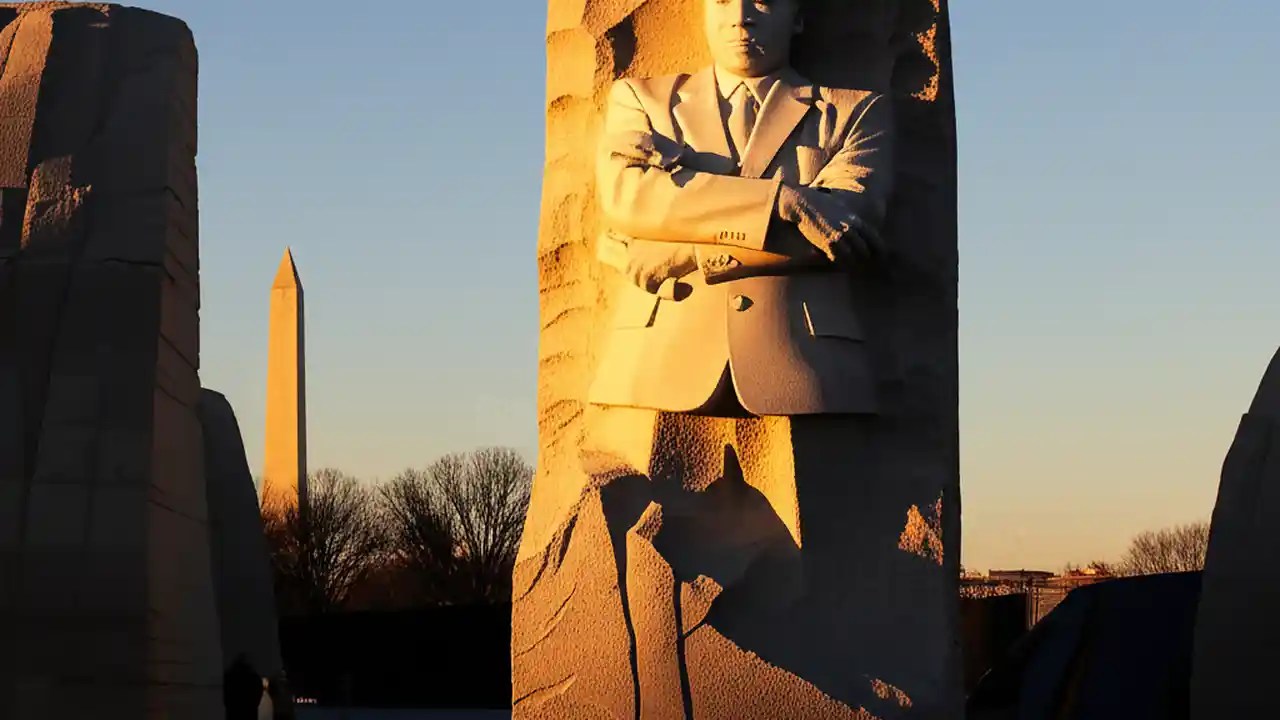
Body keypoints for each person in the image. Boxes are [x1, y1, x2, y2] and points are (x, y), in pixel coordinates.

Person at [589, 0, 894, 417]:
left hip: (810, 366)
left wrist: (684, 253)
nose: (740, 16)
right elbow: (630, 198)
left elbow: (840, 233)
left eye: (764, 1)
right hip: (654, 357)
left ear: (799, 17)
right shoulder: (642, 100)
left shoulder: (854, 112)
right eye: (721, 1)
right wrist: (785, 202)